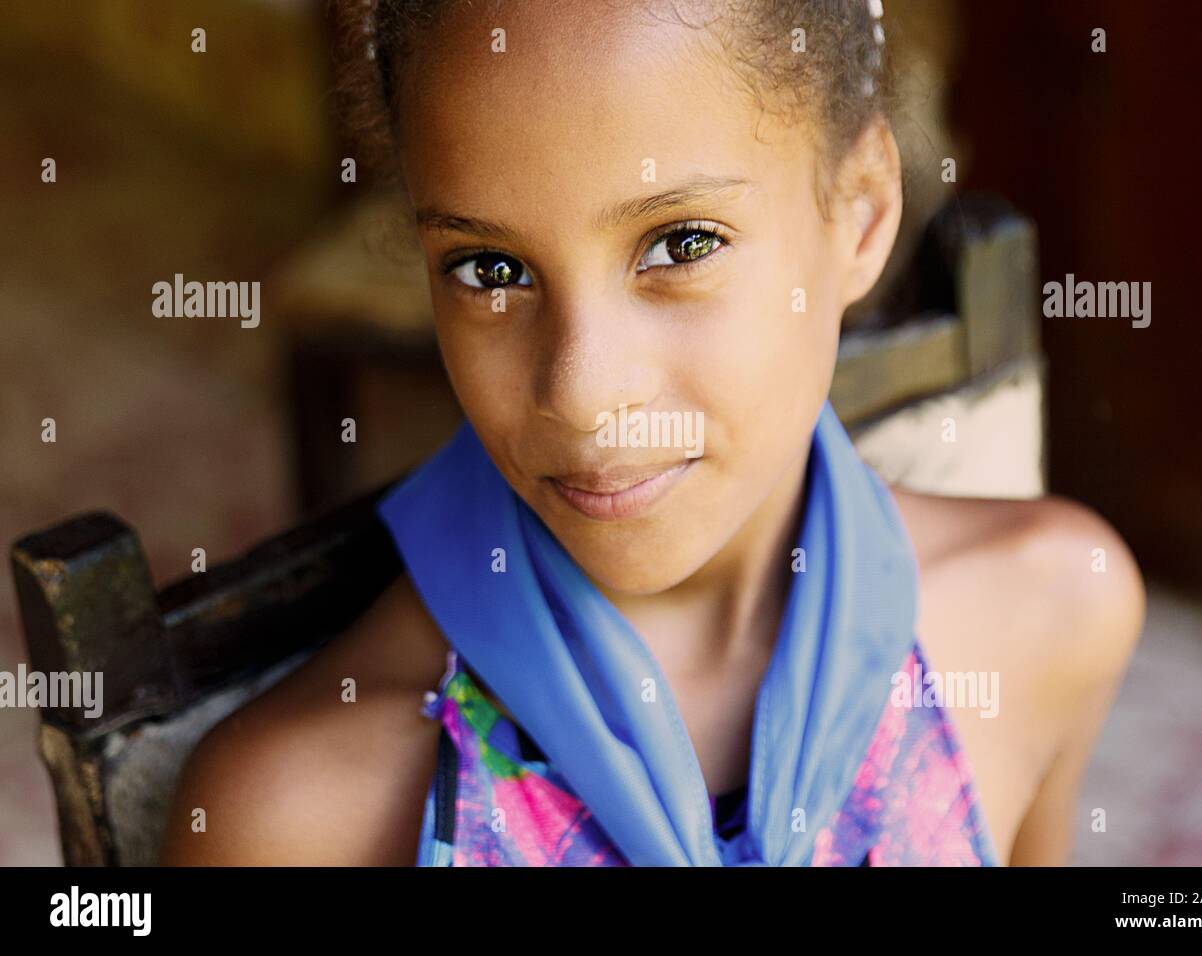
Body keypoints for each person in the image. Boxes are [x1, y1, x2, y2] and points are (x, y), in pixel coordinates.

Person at [158, 0, 1145, 866]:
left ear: (858, 212)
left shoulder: (1048, 610)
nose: (582, 397)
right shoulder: (297, 816)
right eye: (488, 268)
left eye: (681, 244)